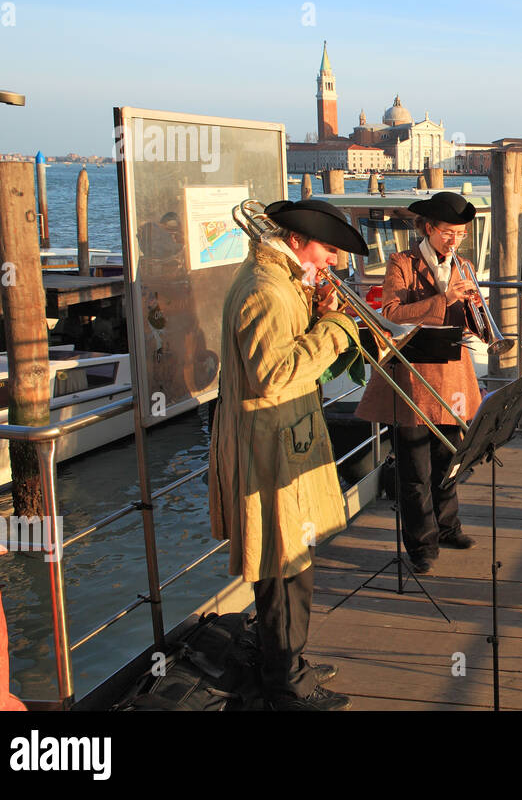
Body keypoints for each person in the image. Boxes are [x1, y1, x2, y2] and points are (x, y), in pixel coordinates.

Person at [208, 198, 367, 710]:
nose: (332, 262)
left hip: (283, 441)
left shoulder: (280, 279)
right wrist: (337, 329)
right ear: (296, 241)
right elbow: (273, 374)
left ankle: (290, 664)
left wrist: (319, 313)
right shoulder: (264, 288)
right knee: (282, 570)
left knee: (295, 564)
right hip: (267, 449)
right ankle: (285, 685)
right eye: (327, 249)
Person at [355, 191, 484, 575]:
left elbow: (470, 316)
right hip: (413, 378)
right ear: (429, 229)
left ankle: (448, 528)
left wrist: (477, 313)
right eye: (448, 232)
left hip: (454, 374)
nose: (455, 240)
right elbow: (392, 313)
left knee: (450, 461)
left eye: (460, 234)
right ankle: (421, 545)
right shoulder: (402, 263)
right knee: (414, 469)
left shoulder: (465, 264)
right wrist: (443, 298)